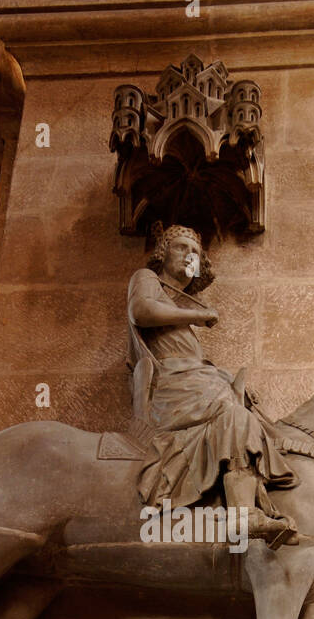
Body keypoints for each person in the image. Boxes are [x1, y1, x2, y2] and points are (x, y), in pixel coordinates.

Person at [127, 223, 298, 545]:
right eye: (181, 247)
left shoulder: (177, 306)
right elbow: (141, 311)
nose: (189, 255)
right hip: (171, 390)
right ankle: (244, 516)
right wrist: (195, 316)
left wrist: (229, 383)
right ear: (163, 253)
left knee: (250, 417)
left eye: (195, 252)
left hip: (191, 385)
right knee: (235, 417)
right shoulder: (147, 279)